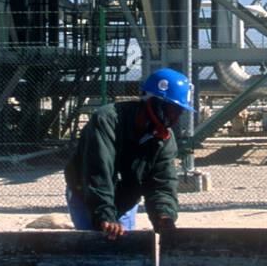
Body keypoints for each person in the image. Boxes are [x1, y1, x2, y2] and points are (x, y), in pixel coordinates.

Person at [64, 68, 191, 239]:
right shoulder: (107, 121)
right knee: (95, 247)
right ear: (154, 102)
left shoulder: (164, 140)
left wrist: (164, 216)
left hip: (125, 199)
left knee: (125, 250)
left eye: (179, 112)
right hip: (86, 194)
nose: (175, 118)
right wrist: (106, 217)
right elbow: (98, 173)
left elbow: (162, 184)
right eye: (172, 110)